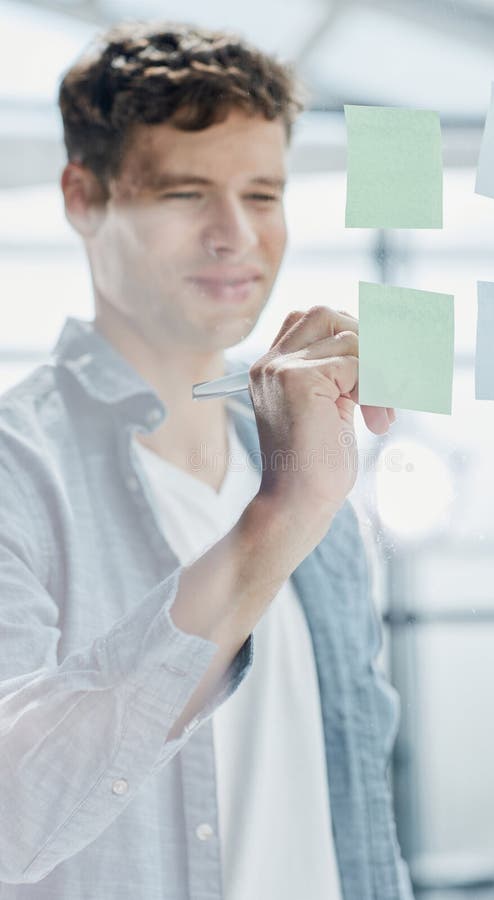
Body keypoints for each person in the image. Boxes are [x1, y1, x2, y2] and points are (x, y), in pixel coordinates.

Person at [0, 19, 413, 900]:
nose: (235, 235)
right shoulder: (16, 474)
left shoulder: (312, 472)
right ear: (84, 199)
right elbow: (10, 816)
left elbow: (364, 816)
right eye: (186, 194)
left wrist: (303, 504)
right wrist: (280, 520)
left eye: (263, 195)